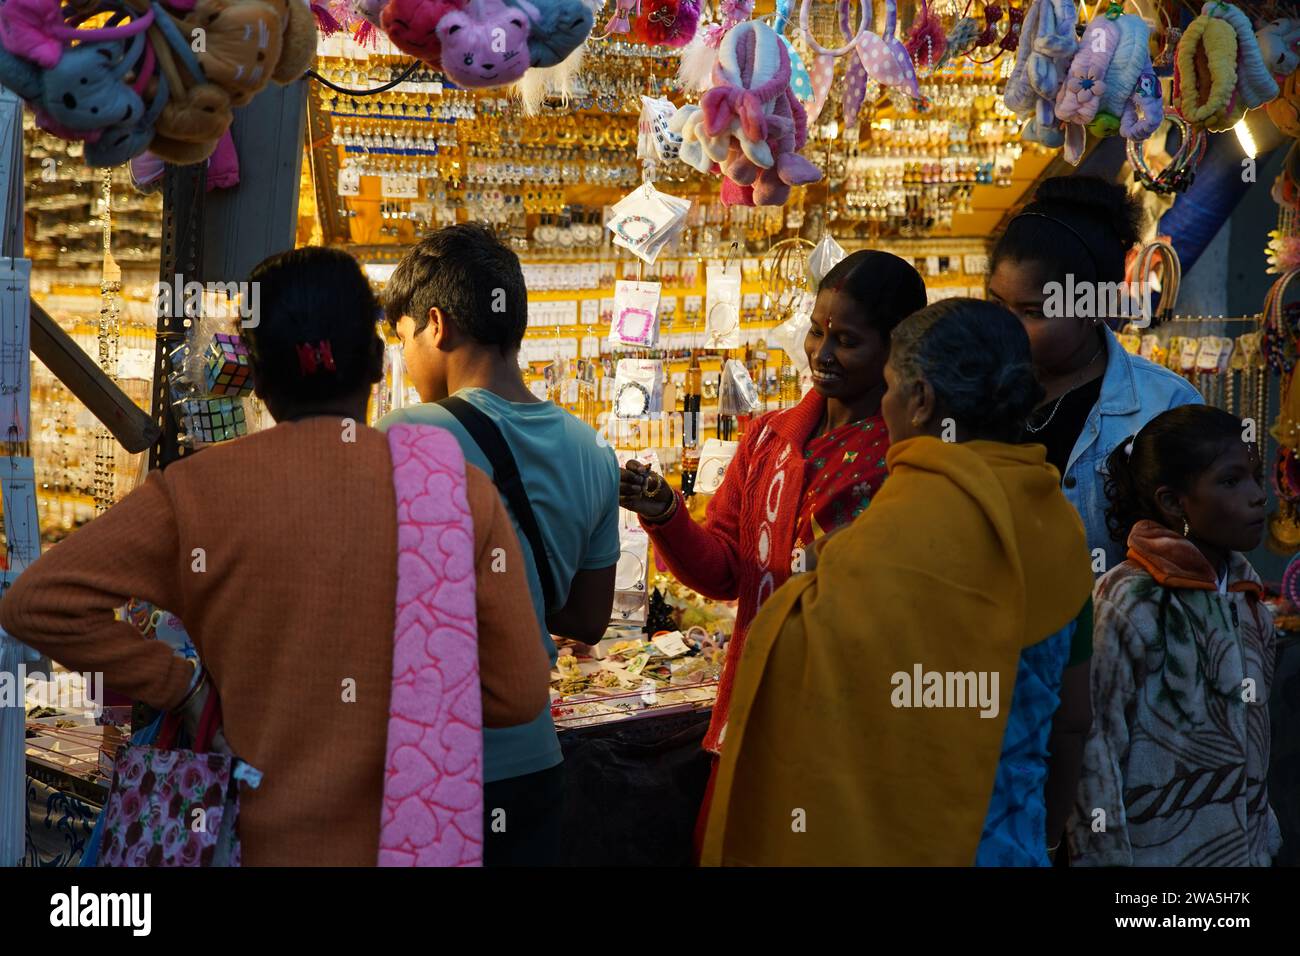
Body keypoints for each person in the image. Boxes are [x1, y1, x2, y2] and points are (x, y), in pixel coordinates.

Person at [0, 247, 550, 866]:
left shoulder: (196, 491)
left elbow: (36, 605)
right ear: (376, 362)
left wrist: (183, 688)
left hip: (248, 843)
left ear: (256, 377)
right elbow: (519, 694)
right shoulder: (456, 493)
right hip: (406, 844)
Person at [699, 299, 1093, 865]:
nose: (883, 405)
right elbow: (1072, 720)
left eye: (889, 386)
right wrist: (1047, 837)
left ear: (921, 400)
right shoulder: (1059, 523)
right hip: (1013, 843)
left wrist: (812, 571)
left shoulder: (884, 539)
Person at [619, 250, 926, 851]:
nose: (822, 353)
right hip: (750, 712)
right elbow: (727, 570)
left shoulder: (904, 458)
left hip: (841, 728)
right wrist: (665, 513)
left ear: (897, 348)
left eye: (847, 341)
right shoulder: (769, 438)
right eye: (816, 331)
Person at [379, 223, 620, 866]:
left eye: (402, 339)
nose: (405, 361)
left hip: (431, 764)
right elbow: (585, 619)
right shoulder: (593, 449)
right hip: (535, 762)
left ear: (436, 326)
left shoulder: (404, 437)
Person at [987, 174, 1201, 855]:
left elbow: (1198, 576)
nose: (1007, 329)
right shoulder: (971, 400)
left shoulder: (1164, 409)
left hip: (1131, 710)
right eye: (996, 305)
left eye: (1031, 312)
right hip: (998, 700)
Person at [1069, 406, 1281, 866]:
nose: (1256, 496)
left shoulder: (1248, 601)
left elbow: (1255, 749)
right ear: (1173, 503)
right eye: (1231, 481)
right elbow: (1095, 751)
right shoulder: (1129, 601)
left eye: (1253, 476)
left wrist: (1262, 843)